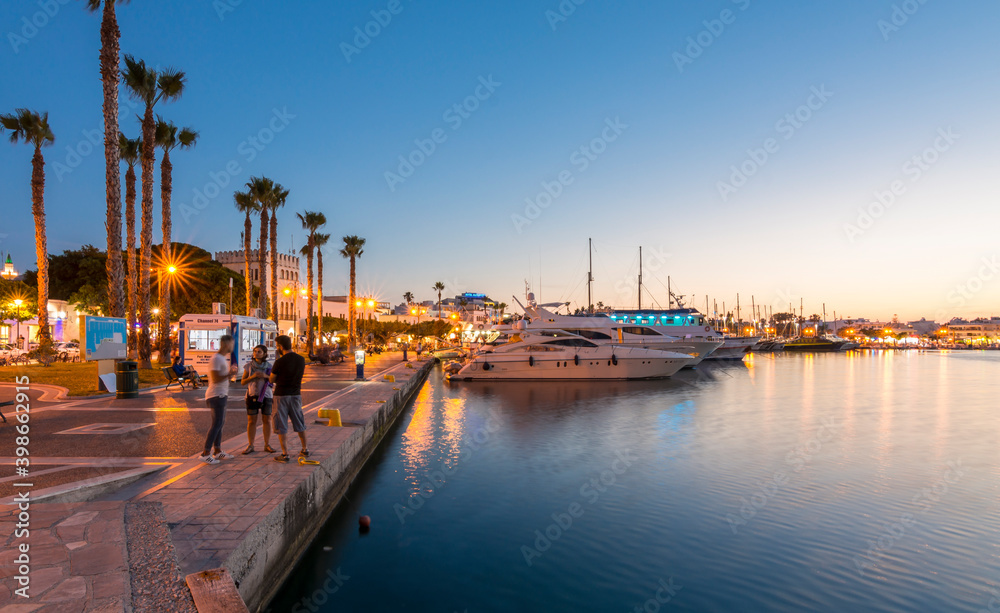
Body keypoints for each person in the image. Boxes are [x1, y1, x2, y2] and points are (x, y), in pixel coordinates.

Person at [269, 334, 308, 463]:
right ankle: (305, 449)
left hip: (281, 395)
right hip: (296, 394)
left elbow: (272, 379)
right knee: (299, 422)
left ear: (281, 346)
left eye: (277, 346)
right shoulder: (301, 359)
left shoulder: (279, 362)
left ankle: (285, 454)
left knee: (281, 424)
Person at [200, 335, 237, 464]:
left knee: (220, 423)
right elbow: (216, 378)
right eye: (232, 343)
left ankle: (217, 450)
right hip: (216, 395)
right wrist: (230, 374)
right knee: (217, 424)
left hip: (221, 394)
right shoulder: (216, 359)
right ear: (226, 344)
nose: (233, 346)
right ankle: (205, 453)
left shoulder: (221, 358)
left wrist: (229, 375)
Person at [241, 344, 275, 454]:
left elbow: (273, 380)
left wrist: (265, 376)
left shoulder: (269, 366)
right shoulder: (248, 366)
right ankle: (251, 445)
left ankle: (267, 444)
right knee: (252, 421)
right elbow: (242, 382)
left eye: (259, 352)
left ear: (264, 354)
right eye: (255, 351)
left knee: (267, 420)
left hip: (266, 395)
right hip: (252, 395)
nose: (256, 353)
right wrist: (253, 376)